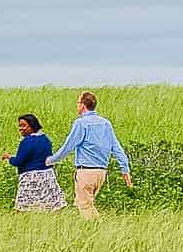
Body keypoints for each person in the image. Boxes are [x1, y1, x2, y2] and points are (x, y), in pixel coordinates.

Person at [47, 91, 132, 219]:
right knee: (86, 204)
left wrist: (50, 161)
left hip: (86, 172)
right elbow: (117, 148)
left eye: (78, 103)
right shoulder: (105, 123)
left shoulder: (81, 123)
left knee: (84, 206)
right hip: (101, 173)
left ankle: (98, 230)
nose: (77, 106)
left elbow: (68, 147)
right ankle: (93, 230)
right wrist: (125, 170)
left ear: (82, 105)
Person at [5, 113, 64, 210]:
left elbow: (18, 161)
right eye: (19, 125)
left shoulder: (26, 142)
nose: (20, 128)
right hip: (47, 176)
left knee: (25, 208)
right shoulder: (45, 139)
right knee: (48, 207)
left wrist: (10, 158)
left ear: (32, 126)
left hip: (31, 178)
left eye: (23, 125)